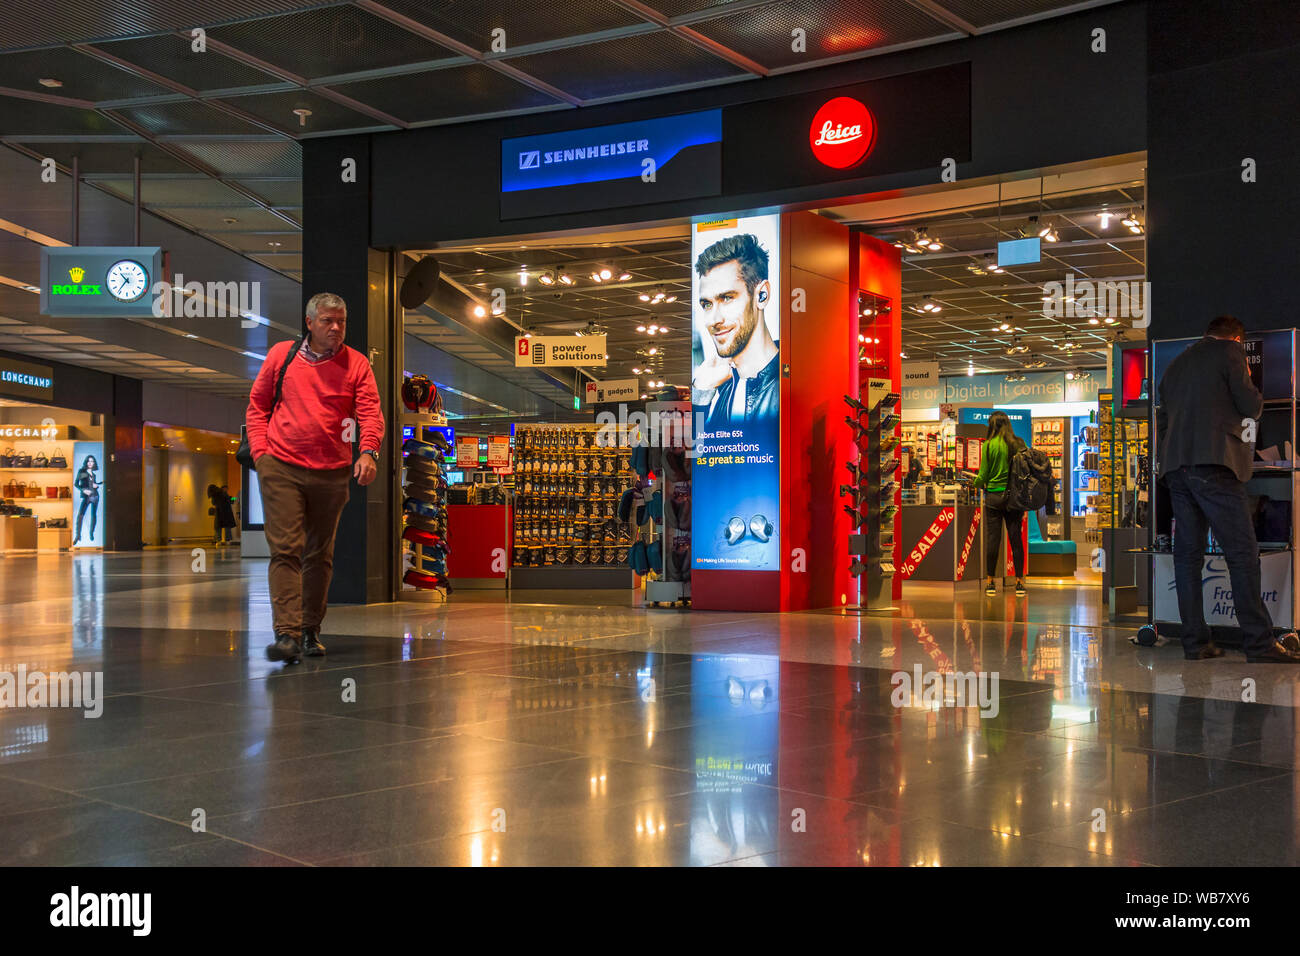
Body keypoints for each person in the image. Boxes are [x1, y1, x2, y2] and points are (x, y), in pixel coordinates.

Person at [245, 292, 384, 664]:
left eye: (341, 321)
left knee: (320, 554)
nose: (335, 327)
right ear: (309, 323)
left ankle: (309, 630)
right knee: (286, 550)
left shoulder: (356, 364)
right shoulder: (281, 355)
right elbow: (257, 406)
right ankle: (286, 635)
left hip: (332, 470)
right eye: (327, 321)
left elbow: (370, 412)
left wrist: (368, 451)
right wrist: (262, 455)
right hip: (282, 465)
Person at [1157, 314, 1299, 662]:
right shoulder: (1231, 354)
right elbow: (1252, 407)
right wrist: (1248, 379)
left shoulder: (1175, 364)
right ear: (1236, 339)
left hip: (1177, 468)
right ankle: (1259, 643)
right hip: (1216, 466)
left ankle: (1195, 642)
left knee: (1187, 556)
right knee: (1241, 552)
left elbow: (1163, 422)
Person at [692, 233, 778, 431]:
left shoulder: (786, 386)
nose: (714, 320)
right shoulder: (721, 390)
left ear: (761, 295)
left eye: (727, 298)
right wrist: (700, 397)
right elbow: (695, 457)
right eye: (706, 304)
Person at [972, 411, 1027, 597]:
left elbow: (983, 476)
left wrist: (975, 483)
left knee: (993, 540)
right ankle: (1019, 582)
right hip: (1014, 499)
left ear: (992, 425)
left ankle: (990, 583)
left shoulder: (988, 446)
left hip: (994, 499)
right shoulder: (1018, 443)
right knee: (1016, 540)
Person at [72, 454, 102, 546]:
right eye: (89, 461)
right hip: (86, 496)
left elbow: (94, 484)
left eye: (92, 461)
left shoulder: (94, 473)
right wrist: (83, 490)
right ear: (86, 462)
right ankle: (78, 535)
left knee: (94, 515)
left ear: (94, 463)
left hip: (95, 496)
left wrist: (98, 484)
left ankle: (91, 533)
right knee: (80, 515)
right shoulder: (82, 471)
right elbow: (76, 484)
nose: (90, 463)